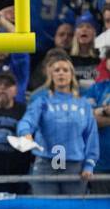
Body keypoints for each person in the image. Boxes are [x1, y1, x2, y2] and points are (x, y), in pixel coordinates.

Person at [15, 53, 99, 195]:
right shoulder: (41, 101)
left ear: (71, 75)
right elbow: (27, 121)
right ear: (50, 75)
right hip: (45, 164)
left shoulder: (83, 104)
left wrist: (89, 165)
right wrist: (26, 134)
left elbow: (91, 135)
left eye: (65, 70)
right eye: (57, 70)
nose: (61, 73)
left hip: (75, 167)